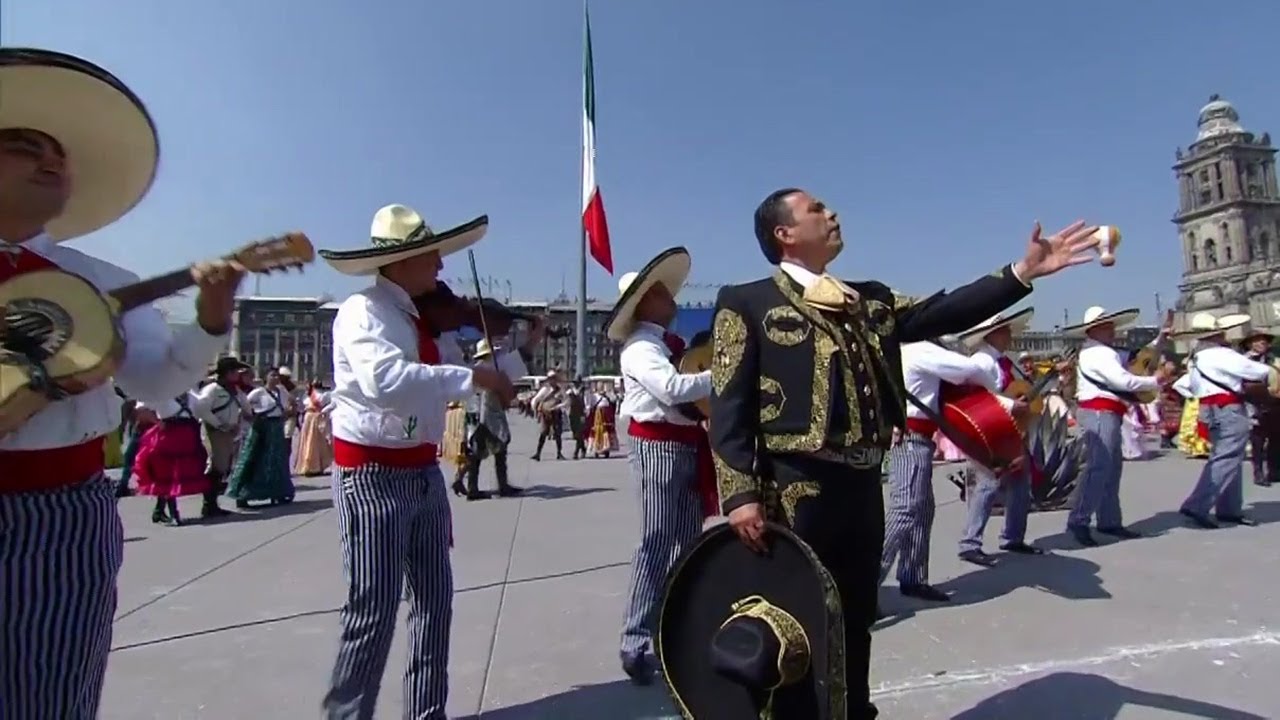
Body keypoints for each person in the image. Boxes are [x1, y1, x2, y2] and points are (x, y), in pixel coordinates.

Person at [710, 187, 1100, 719]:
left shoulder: (869, 300)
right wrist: (740, 495)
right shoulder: (747, 301)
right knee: (796, 619)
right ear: (784, 234)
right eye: (816, 209)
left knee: (856, 615)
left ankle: (853, 712)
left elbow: (944, 311)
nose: (832, 213)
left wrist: (1021, 271)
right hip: (795, 484)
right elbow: (729, 402)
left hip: (863, 482)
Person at [0, 47, 240, 717]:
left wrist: (211, 317)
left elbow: (161, 383)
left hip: (56, 515)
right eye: (24, 144)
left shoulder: (99, 279)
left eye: (61, 155)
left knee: (46, 693)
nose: (53, 160)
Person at [318, 203, 518, 719]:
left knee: (435, 603)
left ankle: (426, 712)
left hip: (422, 471)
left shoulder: (421, 319)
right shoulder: (364, 312)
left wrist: (498, 358)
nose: (440, 267)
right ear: (402, 261)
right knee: (373, 610)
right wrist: (476, 378)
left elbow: (453, 368)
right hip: (372, 474)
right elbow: (384, 382)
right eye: (431, 256)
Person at [605, 247, 715, 683]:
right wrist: (722, 374)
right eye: (664, 295)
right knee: (655, 541)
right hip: (659, 448)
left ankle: (674, 627)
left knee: (687, 541)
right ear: (646, 301)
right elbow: (671, 389)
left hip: (682, 445)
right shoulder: (641, 347)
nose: (673, 301)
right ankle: (635, 639)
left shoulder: (666, 345)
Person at [883, 337, 998, 602]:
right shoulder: (921, 349)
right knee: (907, 508)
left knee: (921, 508)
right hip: (913, 437)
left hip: (915, 437)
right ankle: (867, 584)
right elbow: (973, 370)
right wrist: (988, 351)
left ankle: (913, 576)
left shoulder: (903, 349)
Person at [1060, 306, 1167, 547]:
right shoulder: (1100, 354)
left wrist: (1161, 337)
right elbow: (1121, 380)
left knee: (1109, 468)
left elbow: (1138, 356)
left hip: (1104, 412)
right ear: (1094, 329)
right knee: (1099, 467)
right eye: (1107, 325)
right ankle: (1080, 519)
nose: (1112, 329)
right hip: (1099, 412)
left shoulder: (1101, 352)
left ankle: (1108, 520)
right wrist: (1154, 381)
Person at [952, 308, 1042, 566]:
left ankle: (1013, 536)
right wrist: (1013, 406)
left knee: (1019, 482)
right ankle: (970, 542)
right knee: (988, 483)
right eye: (1004, 330)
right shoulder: (983, 361)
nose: (1009, 335)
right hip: (990, 428)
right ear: (991, 335)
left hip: (1006, 428)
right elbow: (979, 395)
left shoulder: (1003, 362)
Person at [1177, 312, 1272, 528]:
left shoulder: (1196, 358)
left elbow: (1186, 385)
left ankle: (1229, 509)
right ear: (1217, 333)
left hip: (1207, 408)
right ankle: (1197, 504)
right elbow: (1257, 370)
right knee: (1227, 457)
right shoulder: (1221, 354)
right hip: (1228, 408)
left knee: (1229, 458)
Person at [453, 338, 525, 500]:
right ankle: (486, 487)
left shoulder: (477, 369)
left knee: (478, 453)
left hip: (476, 416)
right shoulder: (487, 370)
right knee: (493, 451)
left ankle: (469, 483)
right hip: (486, 416)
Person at [133, 391, 214, 526]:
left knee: (179, 474)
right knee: (170, 475)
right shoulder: (161, 393)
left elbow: (203, 408)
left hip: (188, 435)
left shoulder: (190, 394)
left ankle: (159, 511)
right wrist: (157, 422)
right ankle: (173, 513)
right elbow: (141, 409)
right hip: (169, 436)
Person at [225, 367, 295, 508]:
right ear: (265, 377)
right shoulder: (258, 392)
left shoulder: (282, 391)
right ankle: (243, 495)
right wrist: (249, 417)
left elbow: (290, 404)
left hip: (276, 428)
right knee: (255, 459)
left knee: (276, 461)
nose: (275, 378)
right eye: (272, 375)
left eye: (277, 376)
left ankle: (277, 493)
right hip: (261, 428)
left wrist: (288, 413)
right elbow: (244, 406)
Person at [193, 356, 251, 516]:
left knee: (223, 467)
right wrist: (219, 424)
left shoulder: (235, 390)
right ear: (228, 373)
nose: (238, 375)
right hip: (214, 431)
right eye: (235, 371)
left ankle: (213, 504)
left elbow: (246, 407)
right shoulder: (212, 390)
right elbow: (201, 409)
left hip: (230, 432)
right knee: (214, 467)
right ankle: (208, 504)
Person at [1239, 329, 1278, 486]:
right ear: (1249, 343)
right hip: (1253, 402)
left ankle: (1274, 470)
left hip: (1274, 401)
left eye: (1264, 341)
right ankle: (1258, 472)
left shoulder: (1273, 359)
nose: (1262, 343)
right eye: (1257, 340)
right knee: (1258, 439)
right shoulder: (1243, 361)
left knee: (1276, 437)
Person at [293, 380, 335, 476]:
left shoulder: (320, 395)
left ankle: (313, 465)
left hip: (313, 417)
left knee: (313, 441)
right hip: (311, 418)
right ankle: (311, 465)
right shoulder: (317, 395)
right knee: (313, 441)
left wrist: (323, 411)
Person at [530, 371, 566, 460]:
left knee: (558, 433)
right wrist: (535, 409)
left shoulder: (560, 390)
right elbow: (535, 399)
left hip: (556, 413)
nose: (552, 380)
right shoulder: (545, 390)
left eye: (554, 378)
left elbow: (566, 401)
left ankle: (559, 453)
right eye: (551, 379)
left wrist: (558, 406)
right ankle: (538, 453)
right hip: (546, 414)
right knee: (543, 433)